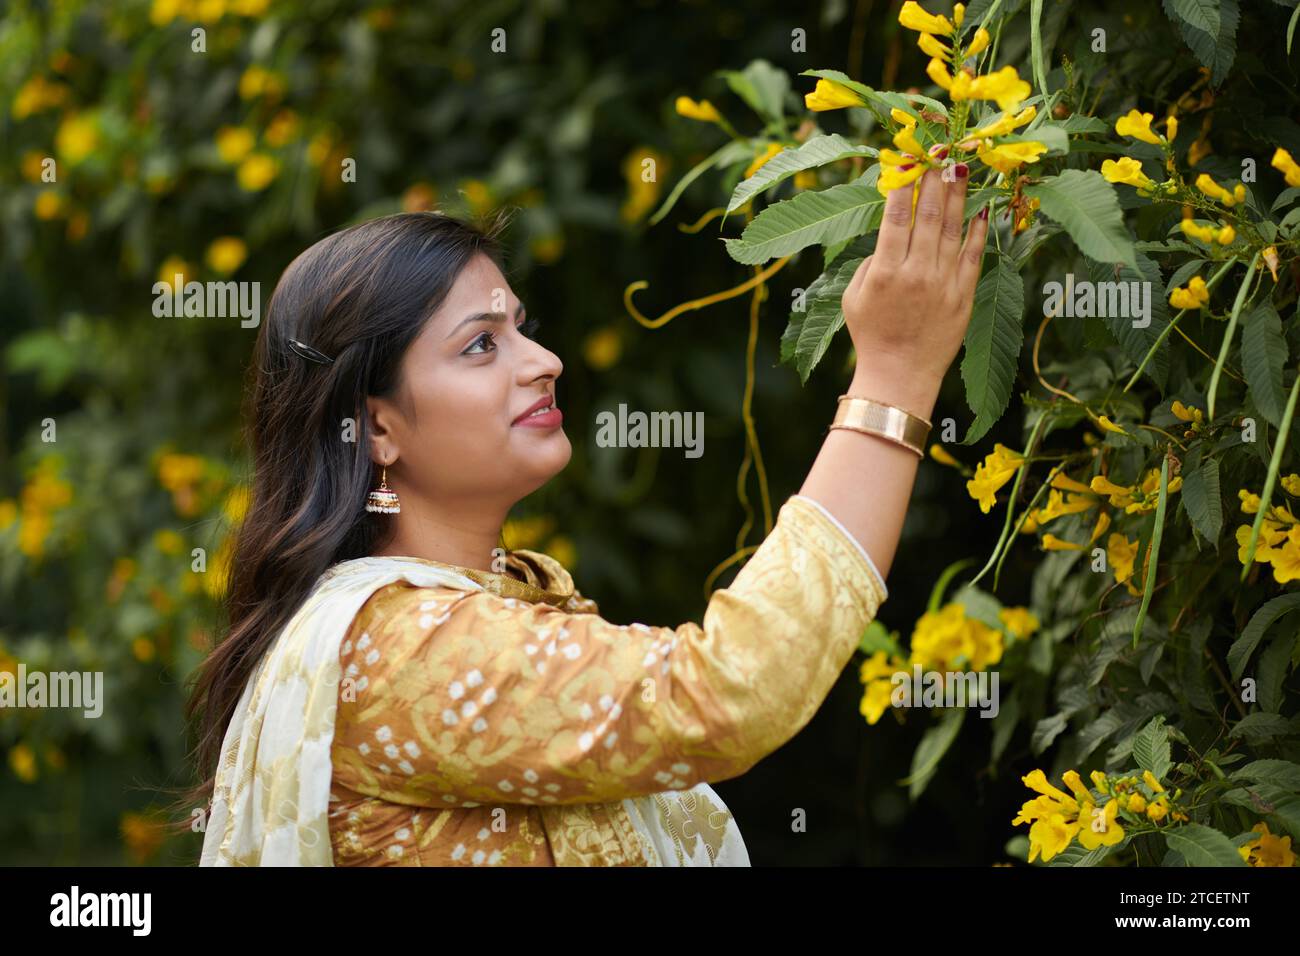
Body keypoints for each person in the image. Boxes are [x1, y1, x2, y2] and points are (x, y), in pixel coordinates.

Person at [189, 164, 988, 866]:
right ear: (377, 427)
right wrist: (892, 379)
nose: (544, 363)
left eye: (520, 330)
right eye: (481, 345)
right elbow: (728, 694)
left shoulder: (501, 606)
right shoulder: (396, 649)